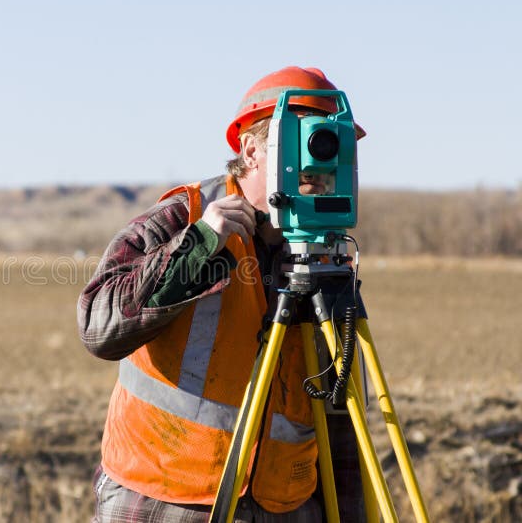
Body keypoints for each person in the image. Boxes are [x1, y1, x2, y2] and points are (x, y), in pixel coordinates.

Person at [78, 66, 367, 523]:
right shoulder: (186, 216)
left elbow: (342, 409)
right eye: (306, 141)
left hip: (285, 506)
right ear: (250, 149)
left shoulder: (328, 252)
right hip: (164, 498)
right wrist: (196, 250)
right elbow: (98, 325)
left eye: (333, 143)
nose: (320, 161)